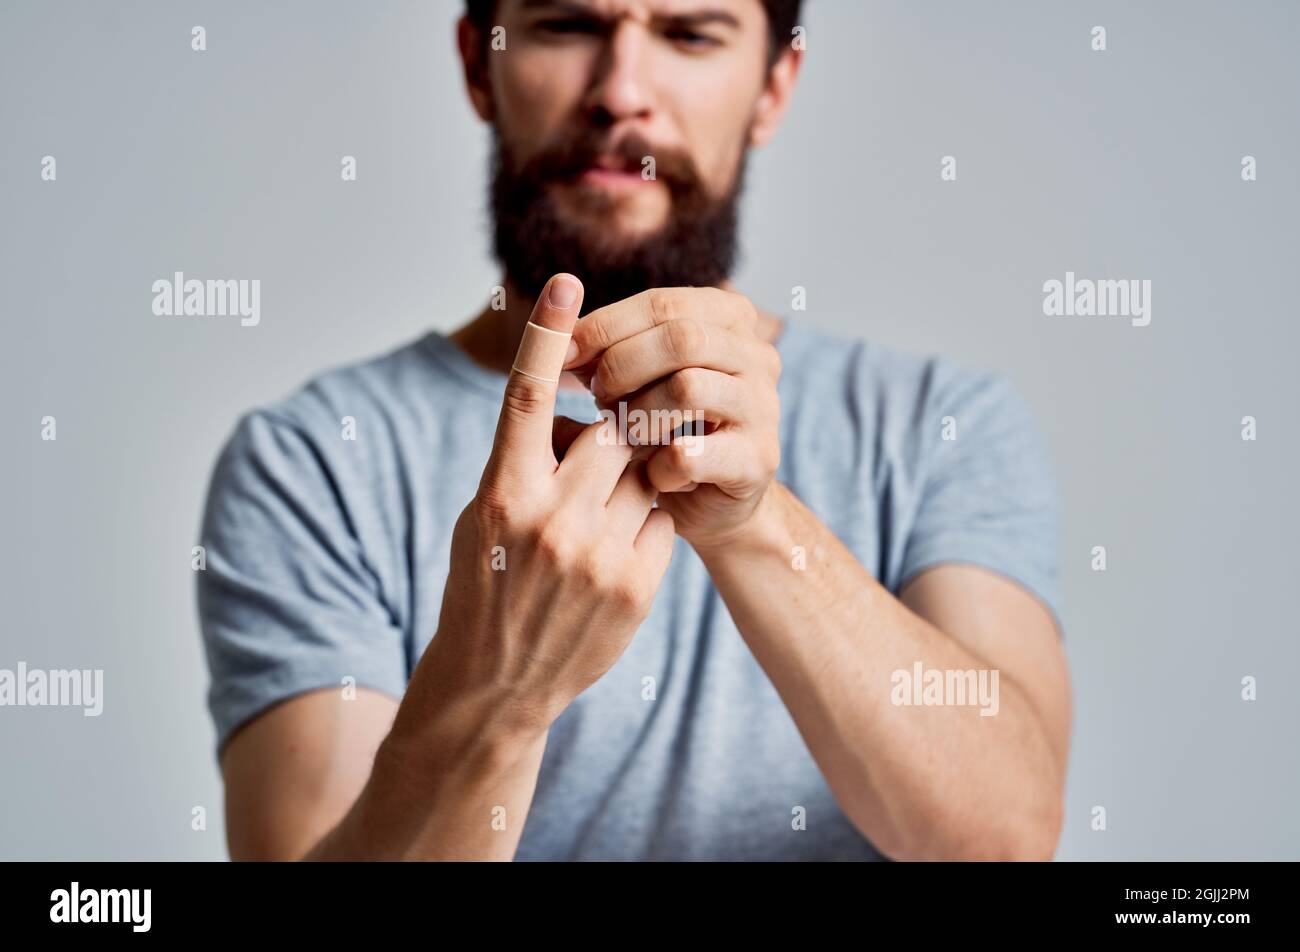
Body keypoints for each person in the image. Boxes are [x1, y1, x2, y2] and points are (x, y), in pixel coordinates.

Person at [198, 0, 1071, 861]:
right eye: (568, 24)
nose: (622, 91)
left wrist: (752, 521)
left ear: (773, 85)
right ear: (478, 64)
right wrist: (502, 687)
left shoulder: (936, 426)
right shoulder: (314, 460)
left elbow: (1005, 840)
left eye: (690, 33)